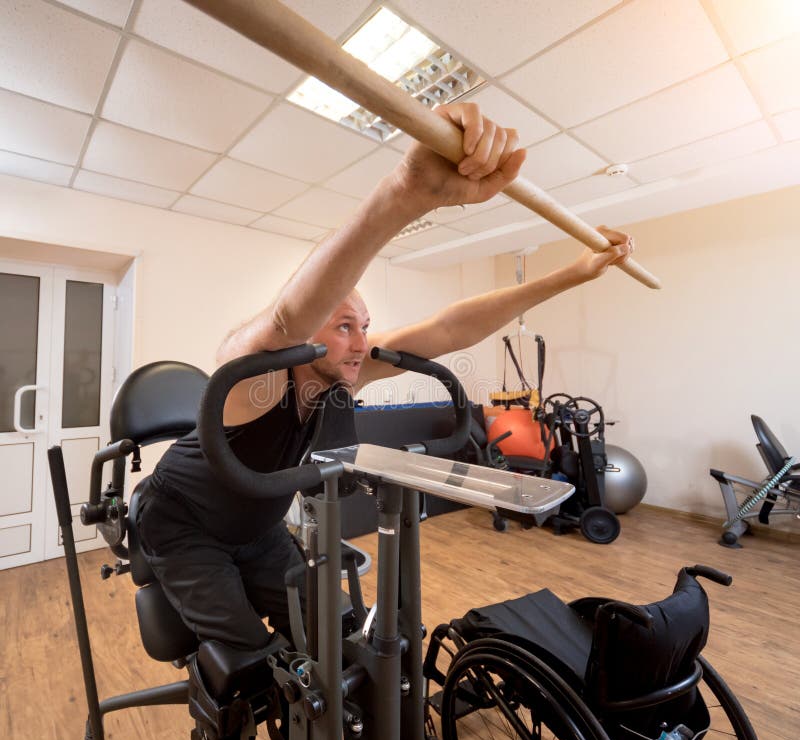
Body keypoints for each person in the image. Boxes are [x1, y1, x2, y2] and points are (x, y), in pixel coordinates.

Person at [137, 103, 633, 652]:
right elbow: (283, 321)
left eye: (365, 326)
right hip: (183, 527)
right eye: (343, 325)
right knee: (250, 661)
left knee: (339, 631)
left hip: (257, 531)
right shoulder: (254, 383)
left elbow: (448, 329)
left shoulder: (341, 376)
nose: (361, 341)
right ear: (308, 330)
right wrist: (406, 191)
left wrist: (573, 274)